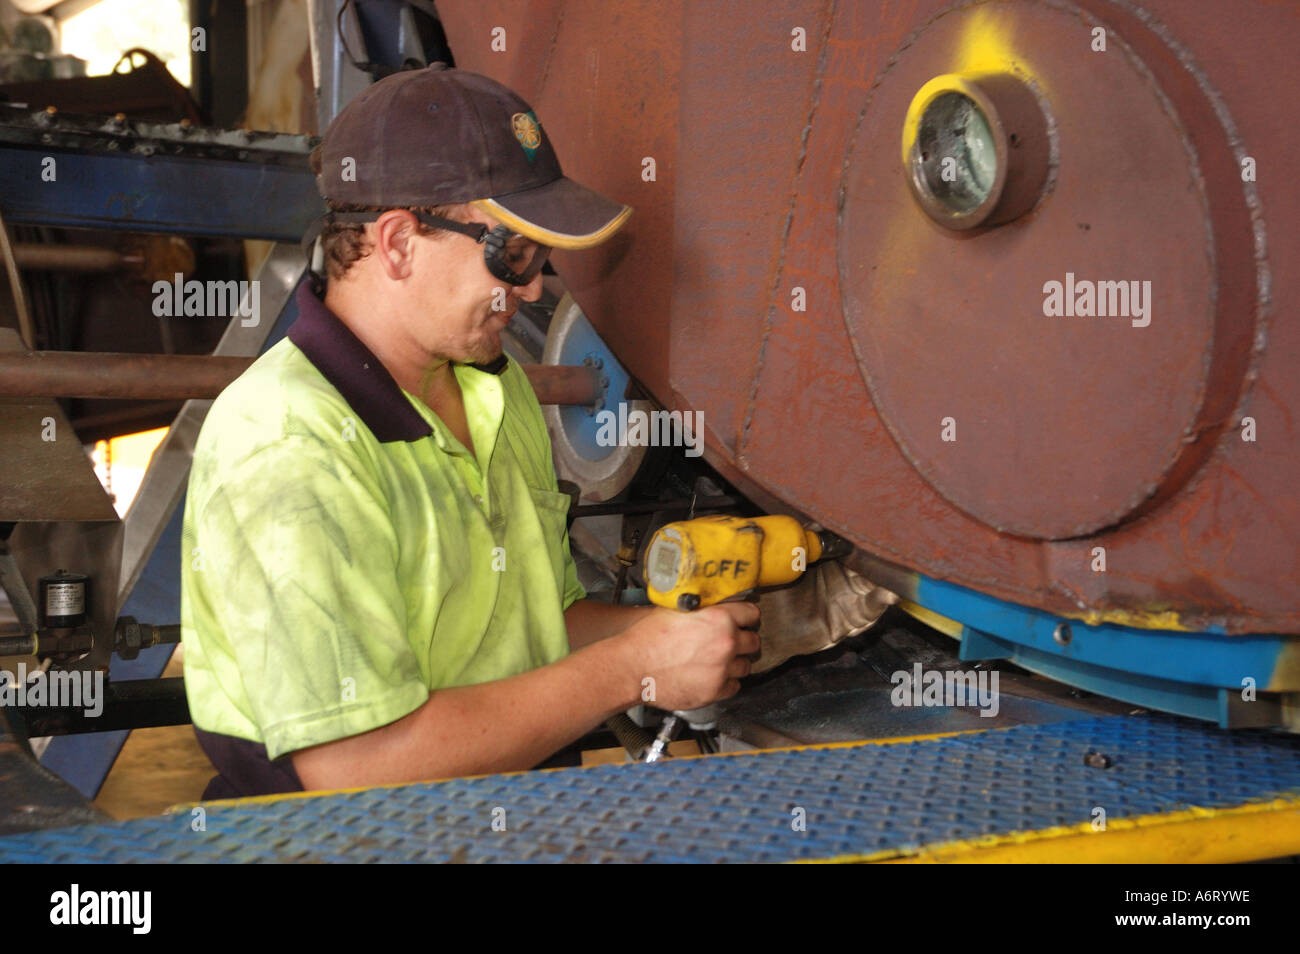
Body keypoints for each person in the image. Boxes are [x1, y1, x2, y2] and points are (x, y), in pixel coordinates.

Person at [179, 64, 758, 798]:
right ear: (396, 243)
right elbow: (353, 766)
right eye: (510, 254)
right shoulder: (289, 442)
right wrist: (631, 668)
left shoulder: (496, 388)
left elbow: (533, 627)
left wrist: (672, 639)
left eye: (540, 257)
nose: (533, 288)